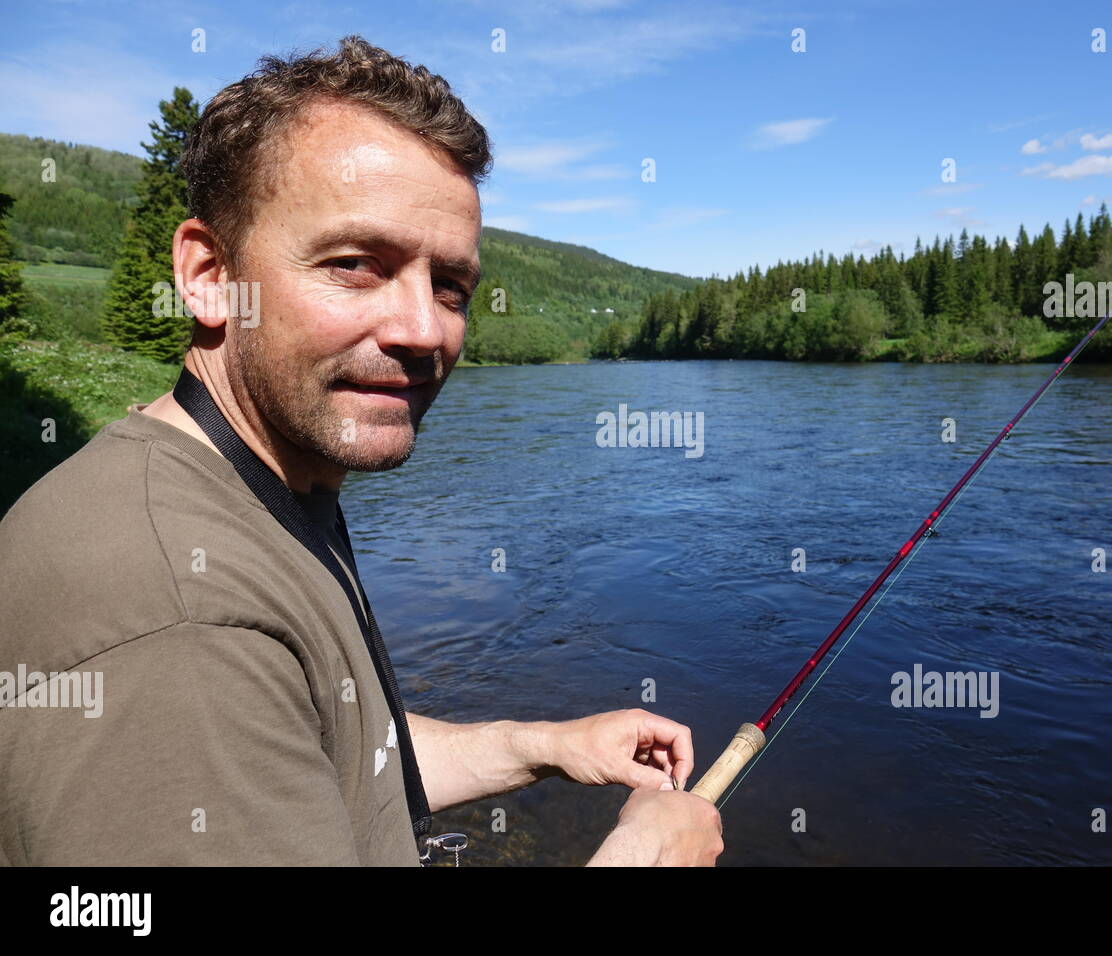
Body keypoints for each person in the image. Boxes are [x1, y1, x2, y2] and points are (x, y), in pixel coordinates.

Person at [0, 36, 722, 867]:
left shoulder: (264, 489)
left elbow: (330, 750)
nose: (423, 330)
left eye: (449, 285)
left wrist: (538, 744)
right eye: (354, 265)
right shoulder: (180, 622)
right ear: (207, 276)